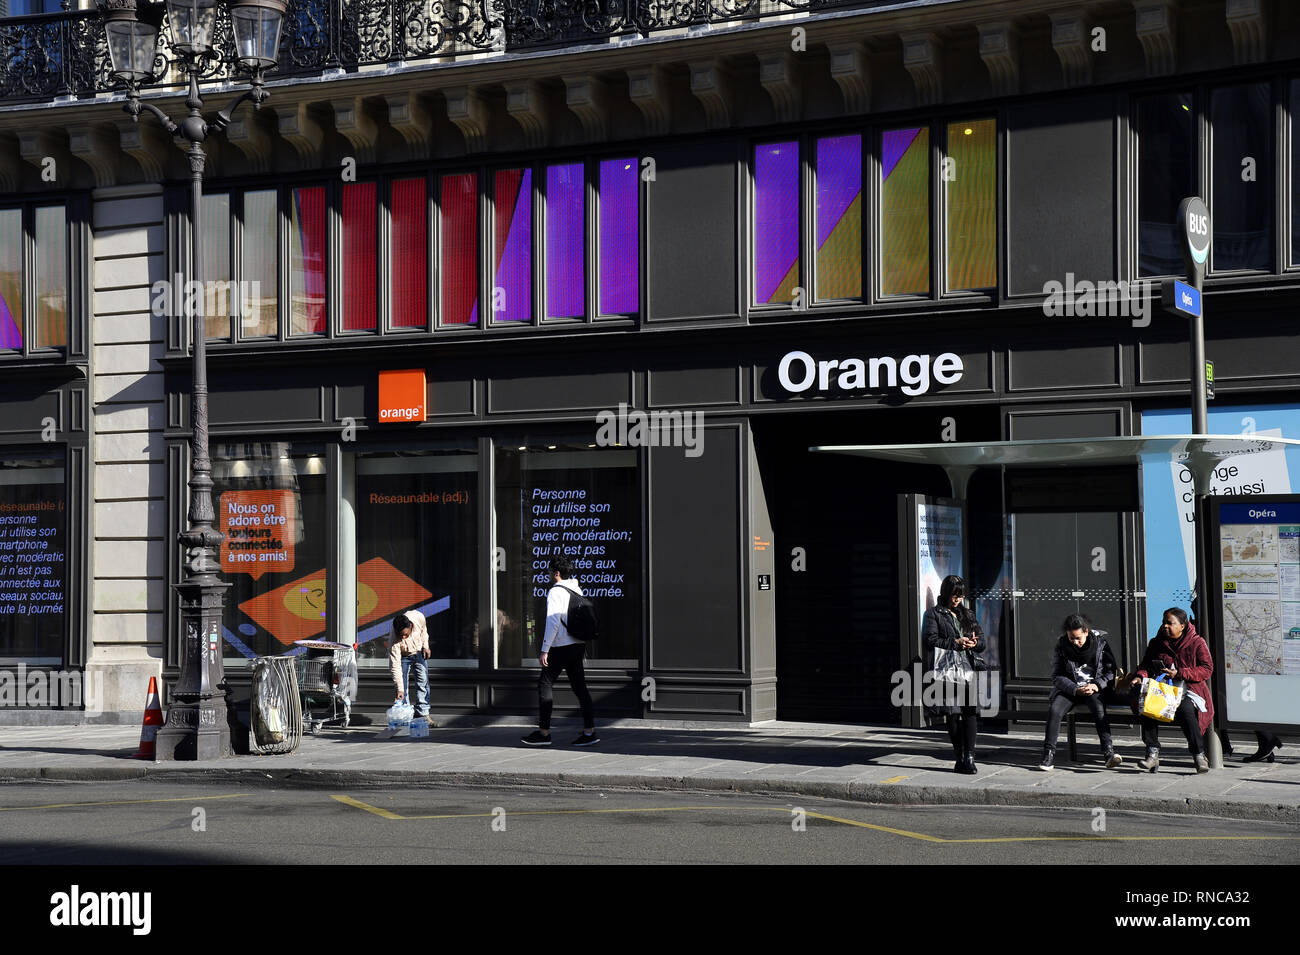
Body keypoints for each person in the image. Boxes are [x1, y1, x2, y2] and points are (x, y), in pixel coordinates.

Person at [521, 557, 598, 747]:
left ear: (556, 573)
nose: (548, 574)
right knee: (580, 687)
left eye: (549, 571)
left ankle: (544, 733)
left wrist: (544, 649)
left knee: (545, 683)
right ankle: (589, 732)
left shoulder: (556, 592)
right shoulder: (576, 589)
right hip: (578, 644)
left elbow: (553, 622)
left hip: (561, 645)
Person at [1130, 607, 1213, 773]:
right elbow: (1146, 664)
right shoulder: (1156, 643)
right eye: (1164, 623)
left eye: (1170, 623)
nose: (1165, 626)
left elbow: (1207, 668)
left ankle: (1199, 755)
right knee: (1148, 705)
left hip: (1189, 690)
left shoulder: (1197, 642)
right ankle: (1152, 754)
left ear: (1182, 625)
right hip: (1163, 689)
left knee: (1186, 710)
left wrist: (1181, 673)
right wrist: (1139, 676)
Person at [1038, 614, 1122, 770]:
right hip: (1071, 689)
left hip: (1093, 688)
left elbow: (1111, 672)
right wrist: (1075, 689)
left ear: (1086, 631)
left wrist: (1096, 685)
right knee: (1055, 710)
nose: (1075, 642)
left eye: (1078, 638)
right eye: (1071, 638)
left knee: (1098, 709)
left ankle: (1108, 753)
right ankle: (1048, 754)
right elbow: (1057, 676)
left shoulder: (1100, 644)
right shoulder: (1061, 646)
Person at [922, 575, 985, 774]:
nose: (957, 599)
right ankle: (959, 756)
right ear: (945, 593)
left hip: (968, 668)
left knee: (970, 711)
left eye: (960, 595)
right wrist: (955, 643)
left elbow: (981, 641)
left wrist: (974, 643)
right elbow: (930, 640)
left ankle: (970, 757)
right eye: (953, 595)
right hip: (947, 669)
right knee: (952, 712)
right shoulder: (934, 614)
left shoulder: (968, 614)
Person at [388, 610, 431, 722]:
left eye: (405, 634)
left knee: (423, 682)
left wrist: (426, 646)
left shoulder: (418, 617)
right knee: (402, 687)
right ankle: (406, 716)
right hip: (403, 656)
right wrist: (400, 689)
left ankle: (423, 714)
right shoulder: (394, 637)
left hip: (418, 652)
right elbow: (395, 664)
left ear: (411, 626)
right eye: (400, 635)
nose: (402, 637)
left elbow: (423, 630)